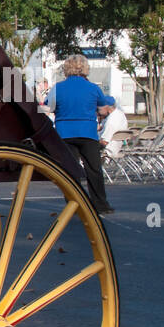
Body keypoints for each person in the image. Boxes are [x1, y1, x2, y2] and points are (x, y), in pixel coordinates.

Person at [47, 54, 114, 213]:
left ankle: (74, 204)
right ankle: (101, 204)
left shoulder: (58, 88)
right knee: (94, 169)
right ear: (85, 68)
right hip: (87, 132)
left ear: (66, 68)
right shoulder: (93, 88)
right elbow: (104, 109)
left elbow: (47, 108)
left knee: (70, 171)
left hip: (65, 133)